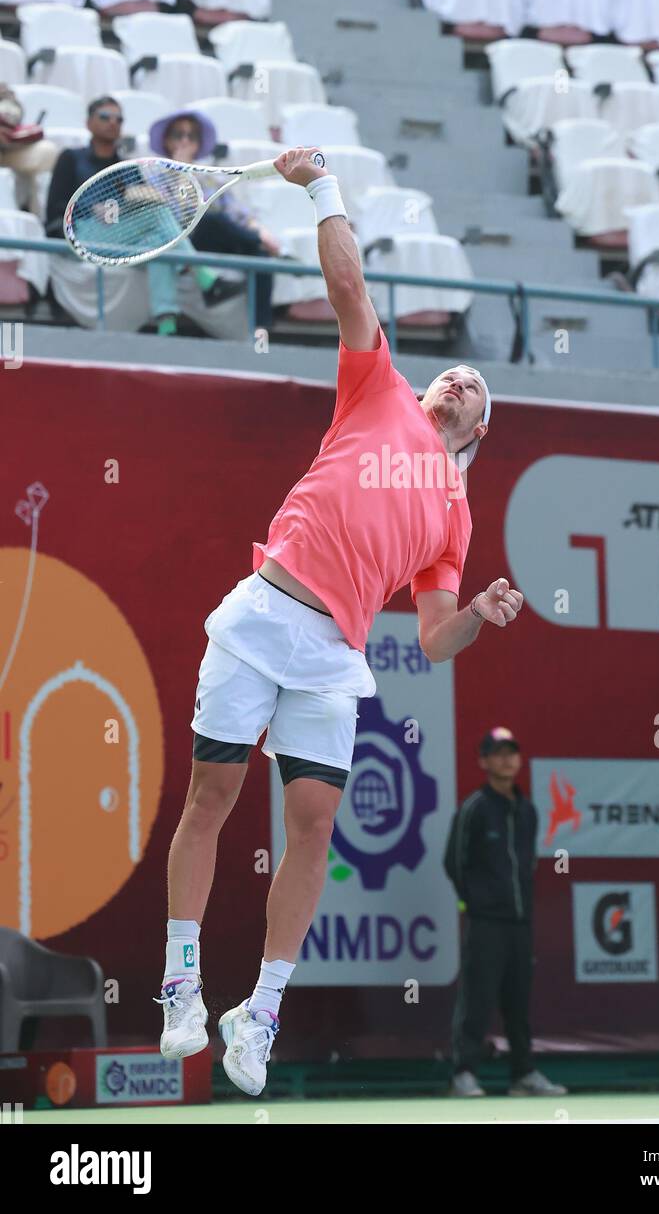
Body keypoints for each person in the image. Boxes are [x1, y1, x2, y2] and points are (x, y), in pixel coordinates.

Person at [154, 146, 524, 1097]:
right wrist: (321, 186)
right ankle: (180, 984)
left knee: (314, 825)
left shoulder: (453, 510)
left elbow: (436, 638)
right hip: (263, 612)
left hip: (333, 659)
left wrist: (479, 612)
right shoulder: (378, 387)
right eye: (451, 375)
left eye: (473, 389)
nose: (456, 383)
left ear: (475, 433)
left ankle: (260, 1012)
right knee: (211, 797)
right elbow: (347, 277)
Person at [444, 726, 567, 1099]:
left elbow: (527, 865)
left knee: (518, 1000)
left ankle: (523, 1075)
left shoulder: (527, 810)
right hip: (485, 923)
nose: (506, 759)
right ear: (483, 761)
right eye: (497, 753)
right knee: (477, 999)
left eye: (511, 751)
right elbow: (455, 862)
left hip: (520, 923)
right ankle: (463, 1073)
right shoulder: (475, 808)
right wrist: (476, 902)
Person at [146, 110, 280, 336]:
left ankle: (261, 328)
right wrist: (181, 171)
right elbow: (176, 216)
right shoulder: (155, 175)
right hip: (184, 240)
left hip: (219, 238)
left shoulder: (211, 177)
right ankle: (262, 247)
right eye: (179, 135)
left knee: (260, 256)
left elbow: (238, 214)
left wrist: (261, 232)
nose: (185, 141)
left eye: (192, 136)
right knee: (212, 220)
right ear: (168, 141)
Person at [44, 95, 124, 236]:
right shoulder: (70, 158)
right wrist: (91, 209)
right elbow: (55, 209)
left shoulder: (126, 166)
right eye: (105, 117)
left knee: (157, 212)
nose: (113, 122)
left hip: (121, 232)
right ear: (88, 123)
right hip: (77, 232)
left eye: (119, 119)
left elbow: (141, 198)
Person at [0, 83, 58, 217]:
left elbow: (11, 115)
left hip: (6, 148)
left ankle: (36, 220)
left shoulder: (3, 90)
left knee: (46, 151)